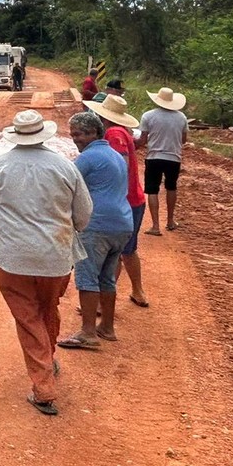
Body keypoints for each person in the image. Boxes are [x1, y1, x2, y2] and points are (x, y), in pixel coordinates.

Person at [0, 110, 92, 416]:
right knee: (47, 309)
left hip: (12, 258)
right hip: (56, 256)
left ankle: (44, 388)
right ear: (43, 134)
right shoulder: (65, 167)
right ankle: (47, 361)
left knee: (28, 318)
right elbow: (83, 215)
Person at [58, 111, 133, 350]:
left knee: (87, 276)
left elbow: (65, 185)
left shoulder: (88, 158)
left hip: (96, 225)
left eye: (78, 134)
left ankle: (88, 332)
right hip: (122, 224)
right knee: (107, 278)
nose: (75, 139)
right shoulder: (115, 155)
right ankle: (107, 327)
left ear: (93, 132)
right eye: (72, 135)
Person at [85, 95, 148, 307]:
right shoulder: (123, 132)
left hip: (125, 200)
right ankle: (136, 291)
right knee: (126, 251)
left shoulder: (113, 134)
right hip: (132, 199)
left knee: (115, 254)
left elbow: (119, 165)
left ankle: (105, 301)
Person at [139, 87, 189, 235]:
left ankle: (155, 226)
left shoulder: (148, 116)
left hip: (154, 157)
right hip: (173, 158)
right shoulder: (181, 117)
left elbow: (142, 139)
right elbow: (184, 140)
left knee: (152, 190)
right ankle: (170, 221)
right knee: (171, 188)